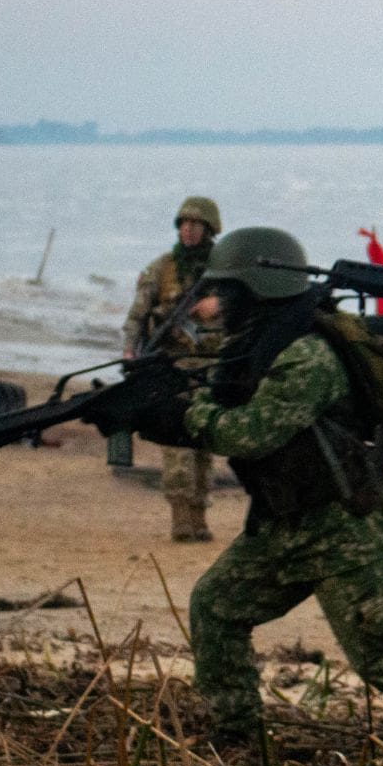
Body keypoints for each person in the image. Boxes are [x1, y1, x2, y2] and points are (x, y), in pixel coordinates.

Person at [177, 226, 383, 746]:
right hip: (288, 522)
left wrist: (191, 412)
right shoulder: (265, 341)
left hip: (341, 530)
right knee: (215, 608)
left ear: (254, 291)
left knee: (382, 659)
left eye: (225, 292)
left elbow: (252, 434)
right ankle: (236, 736)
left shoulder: (307, 354)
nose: (215, 305)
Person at [122, 196, 224, 541]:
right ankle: (181, 515)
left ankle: (200, 513)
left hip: (212, 368)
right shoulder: (161, 269)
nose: (188, 231)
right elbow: (137, 315)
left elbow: (248, 304)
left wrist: (220, 302)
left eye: (196, 225)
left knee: (204, 442)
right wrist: (129, 350)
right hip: (173, 366)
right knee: (176, 440)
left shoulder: (224, 271)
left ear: (209, 229)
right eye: (183, 224)